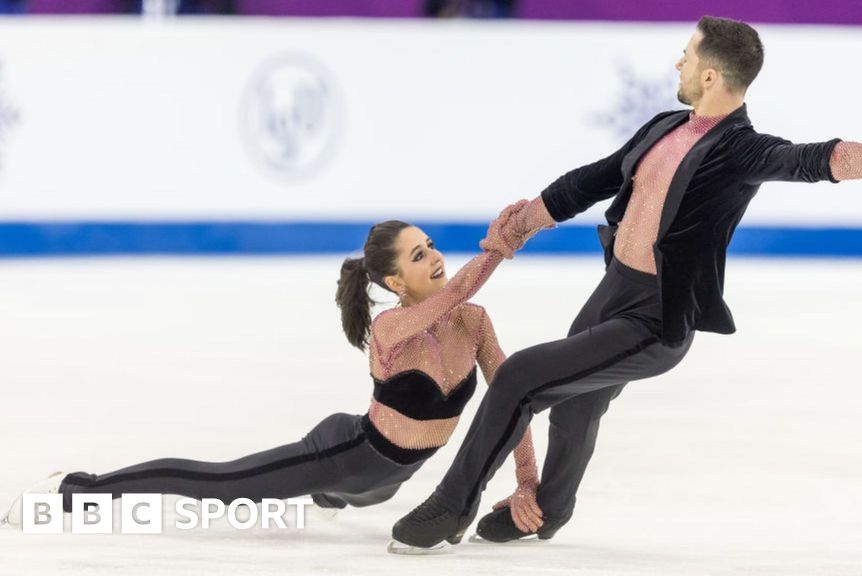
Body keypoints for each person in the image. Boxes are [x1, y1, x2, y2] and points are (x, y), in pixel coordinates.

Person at [390, 15, 862, 549]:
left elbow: (822, 158)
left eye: (687, 54)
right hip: (614, 290)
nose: (678, 61)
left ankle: (450, 506)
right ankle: (550, 509)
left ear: (710, 75)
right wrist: (524, 221)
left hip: (655, 318)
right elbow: (595, 179)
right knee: (574, 409)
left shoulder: (744, 150)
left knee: (521, 376)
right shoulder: (666, 125)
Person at [2, 206, 551, 548]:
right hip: (344, 452)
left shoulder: (475, 323)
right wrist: (503, 245)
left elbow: (514, 400)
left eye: (430, 245)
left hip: (385, 485)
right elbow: (454, 293)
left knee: (346, 497)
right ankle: (83, 489)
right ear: (393, 279)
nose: (433, 256)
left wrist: (527, 481)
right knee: (221, 486)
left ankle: (329, 500)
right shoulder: (392, 328)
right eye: (417, 253)